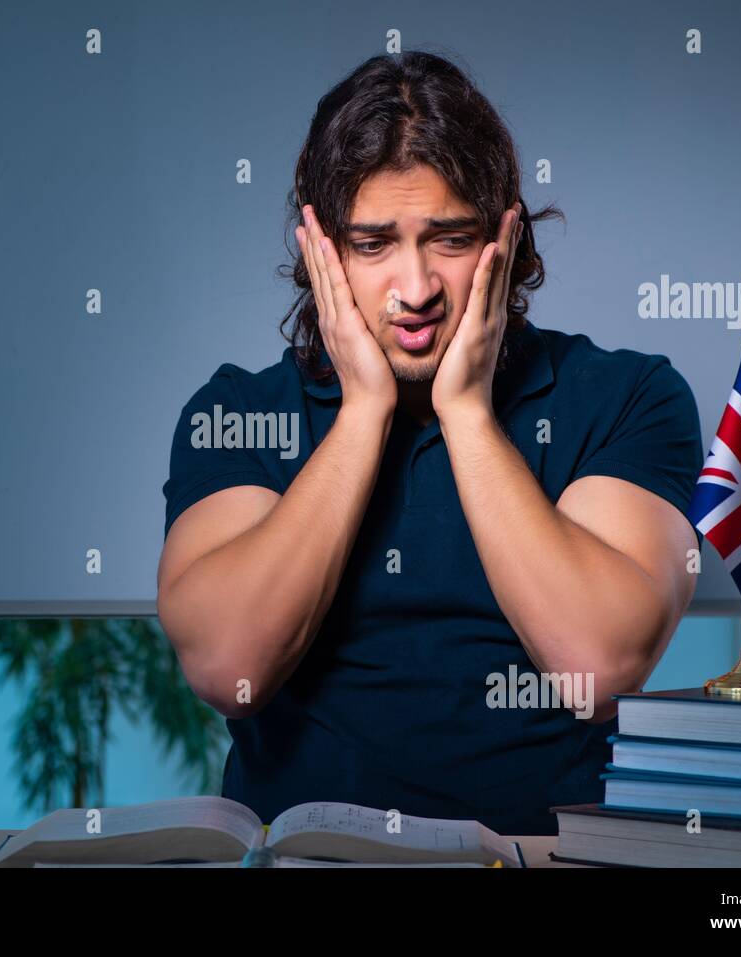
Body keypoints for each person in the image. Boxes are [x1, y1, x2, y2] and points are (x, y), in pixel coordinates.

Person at [156, 51, 704, 836]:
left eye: (449, 239)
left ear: (506, 237)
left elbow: (601, 666)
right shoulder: (239, 412)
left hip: (543, 856)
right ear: (322, 251)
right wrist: (363, 414)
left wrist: (468, 414)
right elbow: (227, 667)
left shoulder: (627, 397)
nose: (414, 291)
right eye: (373, 244)